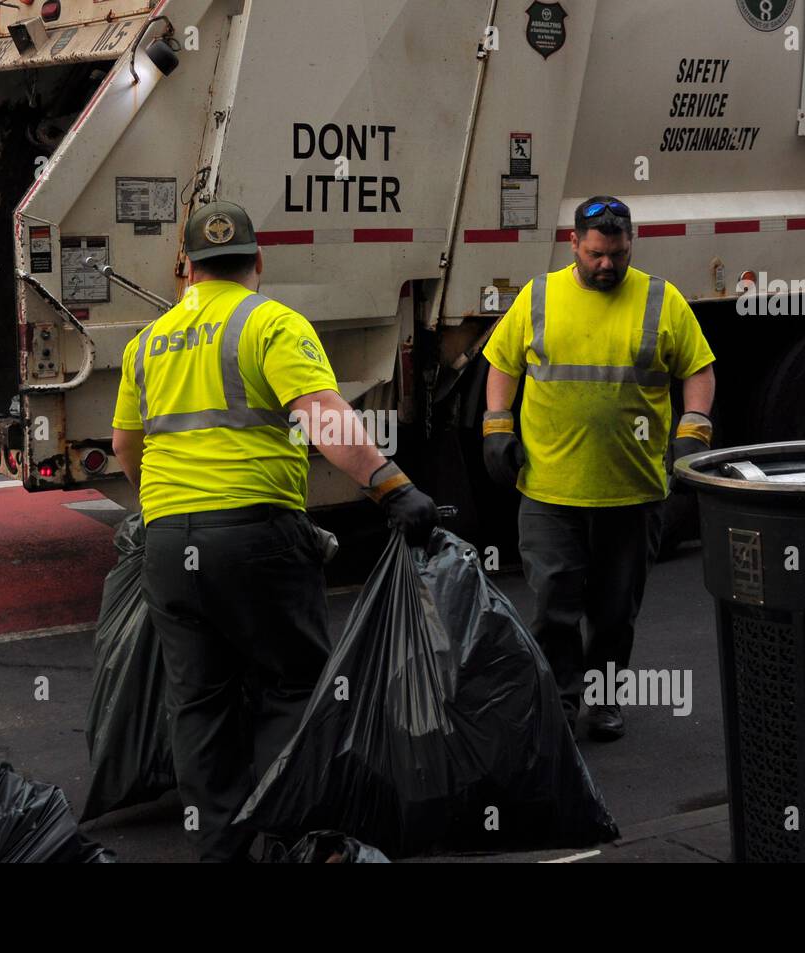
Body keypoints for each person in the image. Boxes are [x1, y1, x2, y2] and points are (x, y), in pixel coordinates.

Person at [110, 200, 438, 860]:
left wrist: (164, 507)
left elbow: (126, 445)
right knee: (289, 688)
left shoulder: (149, 340)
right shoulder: (273, 323)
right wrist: (391, 486)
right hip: (255, 537)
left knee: (199, 703)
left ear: (189, 269)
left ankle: (221, 851)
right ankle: (292, 840)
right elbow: (322, 416)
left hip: (172, 546)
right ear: (258, 261)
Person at [480, 195, 716, 741]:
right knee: (554, 606)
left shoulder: (661, 300)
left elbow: (698, 369)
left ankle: (605, 701)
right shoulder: (540, 296)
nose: (606, 264)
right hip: (549, 490)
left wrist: (694, 427)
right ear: (573, 247)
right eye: (595, 255)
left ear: (630, 245)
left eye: (617, 253)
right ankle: (559, 701)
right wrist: (497, 425)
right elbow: (501, 362)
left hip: (630, 493)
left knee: (613, 614)